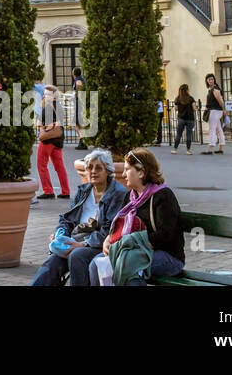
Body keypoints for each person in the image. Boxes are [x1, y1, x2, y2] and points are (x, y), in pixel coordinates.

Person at [31, 148, 128, 286]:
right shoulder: (84, 191)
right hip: (75, 240)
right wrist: (60, 234)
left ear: (108, 171)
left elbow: (110, 230)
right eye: (90, 168)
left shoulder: (118, 193)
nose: (93, 171)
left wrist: (82, 244)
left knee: (77, 255)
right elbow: (67, 219)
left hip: (99, 243)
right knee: (52, 264)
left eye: (98, 168)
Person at [90, 147, 185, 285]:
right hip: (134, 251)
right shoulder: (131, 197)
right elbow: (121, 226)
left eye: (127, 169)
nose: (123, 174)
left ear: (141, 172)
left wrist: (132, 244)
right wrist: (109, 239)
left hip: (168, 256)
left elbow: (166, 235)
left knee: (128, 267)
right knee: (96, 265)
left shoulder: (163, 196)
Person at [36, 85, 70, 199]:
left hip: (48, 140)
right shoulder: (59, 106)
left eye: (48, 94)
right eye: (44, 94)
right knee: (59, 166)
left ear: (53, 95)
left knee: (41, 165)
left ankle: (48, 191)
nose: (45, 96)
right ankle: (66, 191)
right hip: (58, 139)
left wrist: (41, 126)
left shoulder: (48, 107)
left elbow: (44, 123)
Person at [201, 72, 226, 154]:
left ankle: (210, 149)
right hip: (215, 111)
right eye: (209, 79)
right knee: (219, 129)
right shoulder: (212, 89)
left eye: (212, 79)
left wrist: (224, 109)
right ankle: (221, 147)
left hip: (215, 111)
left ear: (214, 80)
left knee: (212, 129)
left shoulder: (215, 89)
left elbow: (220, 100)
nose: (210, 81)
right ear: (207, 81)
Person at [171, 84, 197, 154]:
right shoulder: (191, 98)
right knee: (188, 135)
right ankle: (188, 150)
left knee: (179, 134)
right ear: (187, 90)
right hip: (190, 119)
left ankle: (175, 149)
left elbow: (176, 109)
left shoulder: (177, 99)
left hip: (181, 118)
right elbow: (194, 109)